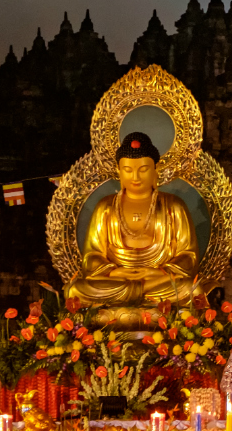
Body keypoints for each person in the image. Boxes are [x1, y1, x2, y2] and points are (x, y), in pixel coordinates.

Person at [65, 131, 201, 307]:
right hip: (117, 281)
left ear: (155, 170)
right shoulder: (105, 207)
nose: (135, 177)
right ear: (119, 172)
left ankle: (136, 299)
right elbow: (92, 257)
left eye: (143, 169)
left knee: (191, 289)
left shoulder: (174, 206)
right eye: (128, 170)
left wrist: (155, 272)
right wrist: (117, 273)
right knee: (75, 290)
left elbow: (188, 256)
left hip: (157, 280)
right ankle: (144, 302)